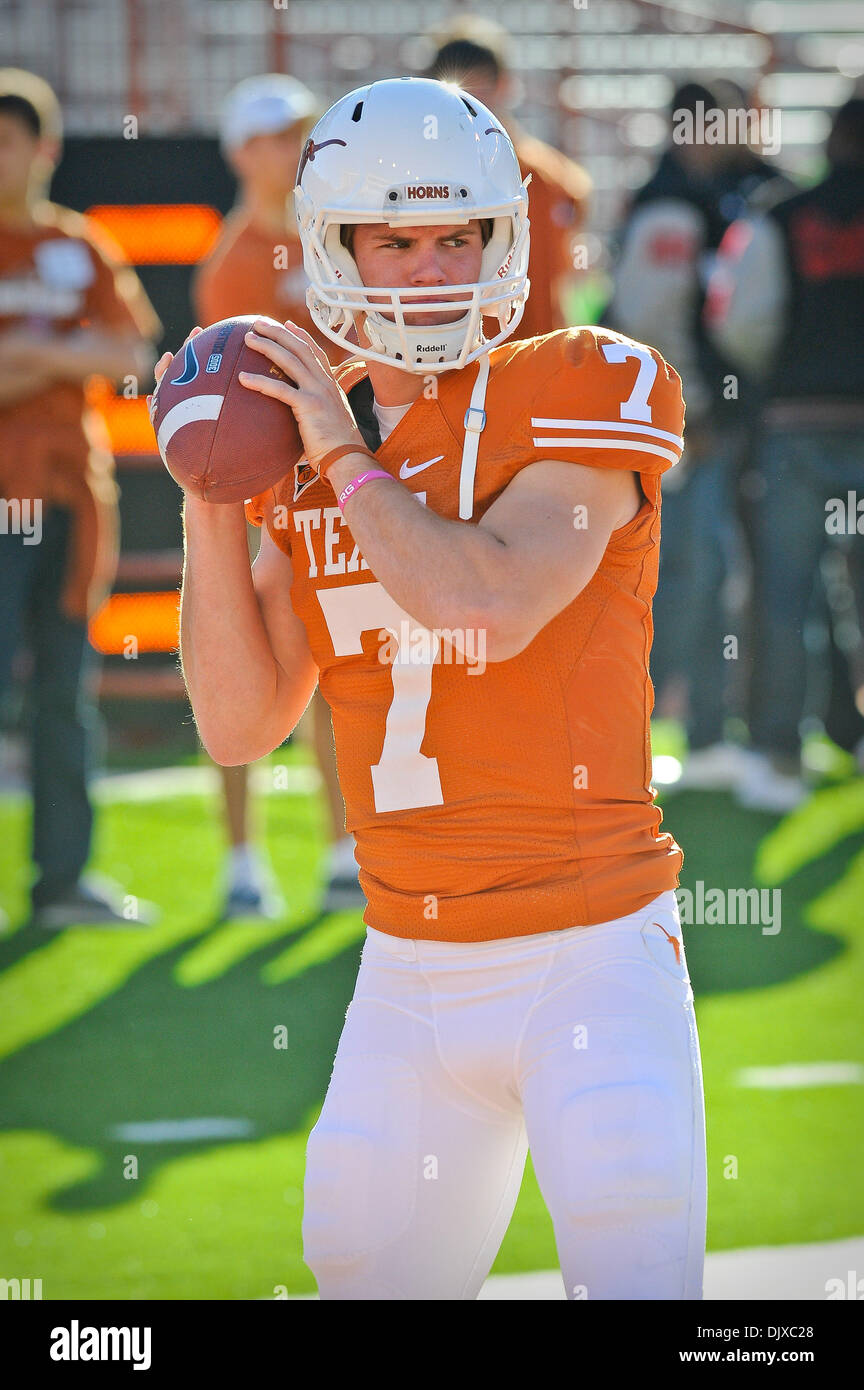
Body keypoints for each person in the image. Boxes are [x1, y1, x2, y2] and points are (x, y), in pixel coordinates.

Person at [161, 78, 705, 1299]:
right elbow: (241, 723)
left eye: (458, 234)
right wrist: (208, 495)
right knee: (360, 1267)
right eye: (395, 240)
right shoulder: (310, 459)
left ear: (505, 237)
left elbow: (488, 604)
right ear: (332, 250)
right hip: (406, 965)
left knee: (635, 1259)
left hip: (590, 954)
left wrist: (341, 459)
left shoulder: (582, 378)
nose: (430, 270)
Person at [192, 74, 360, 919]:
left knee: (333, 676)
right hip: (265, 495)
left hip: (333, 484)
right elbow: (235, 397)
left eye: (293, 132)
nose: (281, 150)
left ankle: (340, 848)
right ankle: (242, 860)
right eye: (266, 137)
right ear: (237, 152)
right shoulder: (233, 265)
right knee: (238, 680)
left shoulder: (333, 238)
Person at [0, 69, 160, 930]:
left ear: (43, 150)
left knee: (66, 690)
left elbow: (134, 353)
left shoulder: (81, 245)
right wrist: (67, 352)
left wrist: (32, 359)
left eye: (6, 140)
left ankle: (62, 883)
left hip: (68, 499)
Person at [706, 96, 864, 806]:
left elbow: (743, 321)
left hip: (795, 426)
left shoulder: (777, 212)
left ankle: (777, 756)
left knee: (782, 594)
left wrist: (779, 376)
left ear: (834, 137)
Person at [604, 81, 761, 792]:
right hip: (674, 429)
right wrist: (685, 416)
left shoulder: (711, 194)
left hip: (685, 423)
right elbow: (648, 321)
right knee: (685, 582)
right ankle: (666, 739)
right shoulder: (672, 204)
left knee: (700, 579)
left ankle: (691, 737)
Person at [425, 18, 591, 341]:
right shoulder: (421, 179)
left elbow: (567, 280)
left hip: (539, 355)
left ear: (504, 86)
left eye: (480, 87)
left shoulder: (553, 180)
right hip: (462, 358)